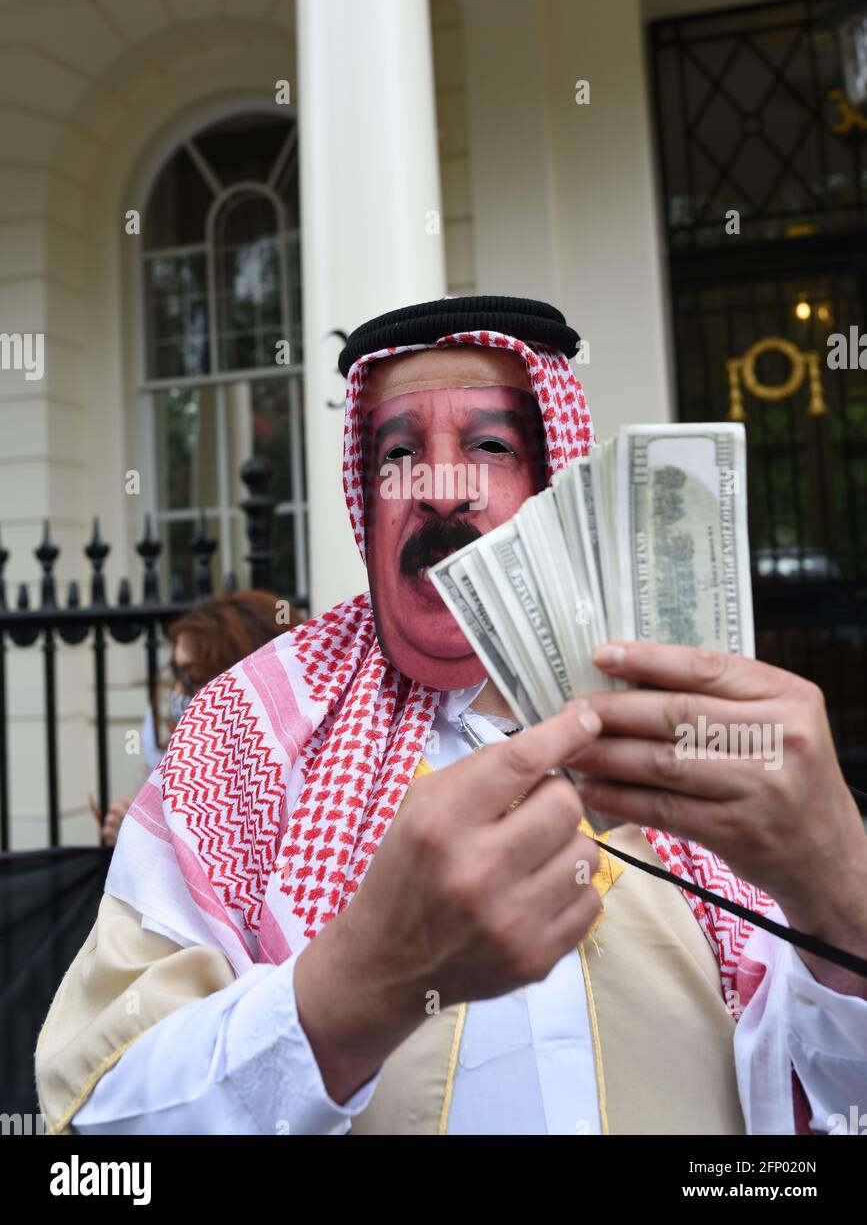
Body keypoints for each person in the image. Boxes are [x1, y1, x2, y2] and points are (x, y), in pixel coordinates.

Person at [36, 296, 867, 1136]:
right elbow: (95, 1120)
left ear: (550, 477)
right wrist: (360, 985)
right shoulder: (246, 730)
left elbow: (830, 1093)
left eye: (489, 446)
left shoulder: (697, 719)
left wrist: (842, 898)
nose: (438, 490)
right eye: (399, 454)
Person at [97, 591, 297, 846]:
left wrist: (146, 841)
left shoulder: (286, 788)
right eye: (177, 673)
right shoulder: (187, 764)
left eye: (193, 676)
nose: (179, 692)